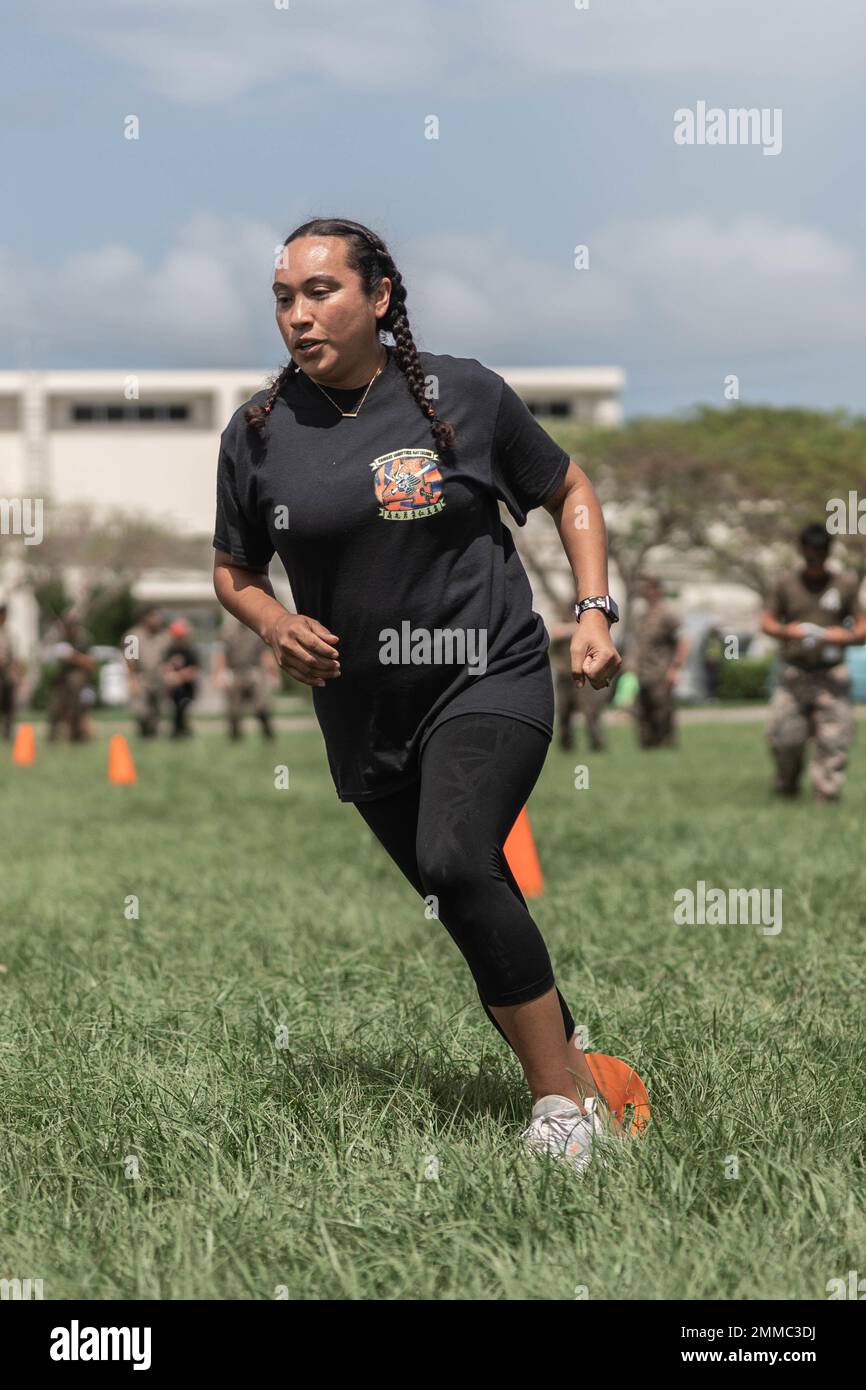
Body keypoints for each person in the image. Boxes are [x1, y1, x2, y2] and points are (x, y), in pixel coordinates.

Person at [212, 218, 623, 1174]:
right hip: (365, 714)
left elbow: (569, 488)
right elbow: (234, 570)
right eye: (283, 297)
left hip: (489, 671)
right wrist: (273, 625)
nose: (298, 314)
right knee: (465, 895)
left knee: (454, 854)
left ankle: (560, 1111)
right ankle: (579, 1060)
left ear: (380, 297)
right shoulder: (259, 430)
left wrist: (595, 609)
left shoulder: (463, 394)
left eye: (321, 291)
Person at [761, 522, 866, 802]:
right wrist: (787, 631)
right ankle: (787, 786)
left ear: (828, 552)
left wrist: (841, 636)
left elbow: (862, 628)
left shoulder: (845, 584)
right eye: (809, 554)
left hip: (831, 674)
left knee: (835, 740)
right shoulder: (786, 583)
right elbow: (766, 621)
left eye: (820, 553)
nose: (814, 560)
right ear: (802, 551)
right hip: (794, 673)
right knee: (785, 738)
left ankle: (827, 795)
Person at [633, 576, 689, 748]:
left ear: (657, 591)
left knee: (662, 713)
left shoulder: (667, 614)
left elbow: (684, 641)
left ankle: (666, 746)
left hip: (661, 672)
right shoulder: (642, 616)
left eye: (650, 589)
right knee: (642, 713)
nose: (646, 593)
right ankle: (648, 748)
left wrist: (675, 668)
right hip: (643, 673)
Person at [549, 595, 609, 751]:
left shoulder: (588, 616)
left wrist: (567, 629)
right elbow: (553, 633)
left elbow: (592, 630)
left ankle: (597, 745)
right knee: (564, 712)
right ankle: (566, 747)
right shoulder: (564, 616)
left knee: (590, 711)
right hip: (564, 674)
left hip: (584, 673)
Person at [212, 612, 279, 739]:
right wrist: (219, 674)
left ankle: (268, 735)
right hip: (235, 672)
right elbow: (220, 654)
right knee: (233, 710)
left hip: (254, 671)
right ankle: (235, 738)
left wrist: (273, 674)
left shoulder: (257, 630)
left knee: (262, 706)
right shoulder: (227, 631)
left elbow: (265, 654)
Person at [46, 612, 97, 742]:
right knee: (55, 705)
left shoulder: (83, 638)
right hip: (62, 677)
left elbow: (90, 663)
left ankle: (78, 736)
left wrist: (72, 655)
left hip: (79, 678)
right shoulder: (59, 637)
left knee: (77, 707)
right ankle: (52, 737)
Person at [123, 606, 172, 737]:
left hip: (158, 677)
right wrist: (132, 679)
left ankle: (153, 734)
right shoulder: (133, 636)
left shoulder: (165, 636)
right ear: (146, 618)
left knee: (157, 711)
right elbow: (129, 660)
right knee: (142, 711)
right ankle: (143, 732)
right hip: (141, 677)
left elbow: (169, 658)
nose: (158, 620)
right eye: (155, 617)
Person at [161, 618, 200, 738]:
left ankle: (182, 730)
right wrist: (171, 676)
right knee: (176, 709)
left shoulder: (190, 651)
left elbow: (193, 671)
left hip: (187, 688)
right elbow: (165, 668)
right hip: (173, 689)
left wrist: (179, 676)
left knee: (182, 708)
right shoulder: (169, 651)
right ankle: (179, 730)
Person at [0, 602, 22, 740]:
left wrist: (18, 674)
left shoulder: (10, 633)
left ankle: (8, 733)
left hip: (7, 671)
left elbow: (15, 657)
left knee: (10, 703)